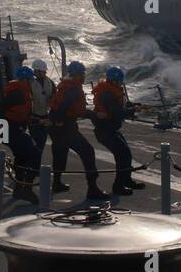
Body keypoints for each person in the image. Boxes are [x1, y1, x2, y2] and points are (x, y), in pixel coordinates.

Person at [48, 60, 108, 201]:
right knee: (87, 151)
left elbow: (72, 109)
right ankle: (92, 188)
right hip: (65, 127)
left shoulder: (65, 86)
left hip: (57, 127)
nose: (83, 77)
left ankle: (57, 183)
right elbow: (65, 106)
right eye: (82, 74)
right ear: (76, 75)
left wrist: (91, 114)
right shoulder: (74, 89)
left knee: (60, 153)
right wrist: (60, 120)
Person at [91, 66, 143, 195]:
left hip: (111, 130)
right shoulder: (107, 95)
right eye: (119, 81)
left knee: (127, 154)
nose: (121, 83)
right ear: (113, 80)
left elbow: (121, 106)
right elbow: (117, 112)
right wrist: (133, 111)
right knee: (122, 156)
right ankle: (118, 187)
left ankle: (126, 180)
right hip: (105, 132)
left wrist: (136, 106)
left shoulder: (113, 91)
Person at [0, 66, 40, 202]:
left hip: (12, 128)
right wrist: (1, 132)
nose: (32, 82)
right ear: (25, 80)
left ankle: (18, 189)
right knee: (34, 152)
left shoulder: (21, 91)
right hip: (9, 129)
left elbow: (19, 112)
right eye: (31, 80)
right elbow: (1, 109)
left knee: (22, 156)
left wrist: (35, 119)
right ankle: (26, 188)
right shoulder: (18, 93)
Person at [27, 59, 57, 158]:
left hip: (46, 115)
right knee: (38, 141)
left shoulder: (50, 82)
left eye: (44, 71)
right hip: (34, 117)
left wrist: (52, 100)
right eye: (42, 71)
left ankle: (35, 165)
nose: (44, 73)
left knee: (43, 141)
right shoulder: (29, 83)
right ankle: (33, 165)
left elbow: (54, 95)